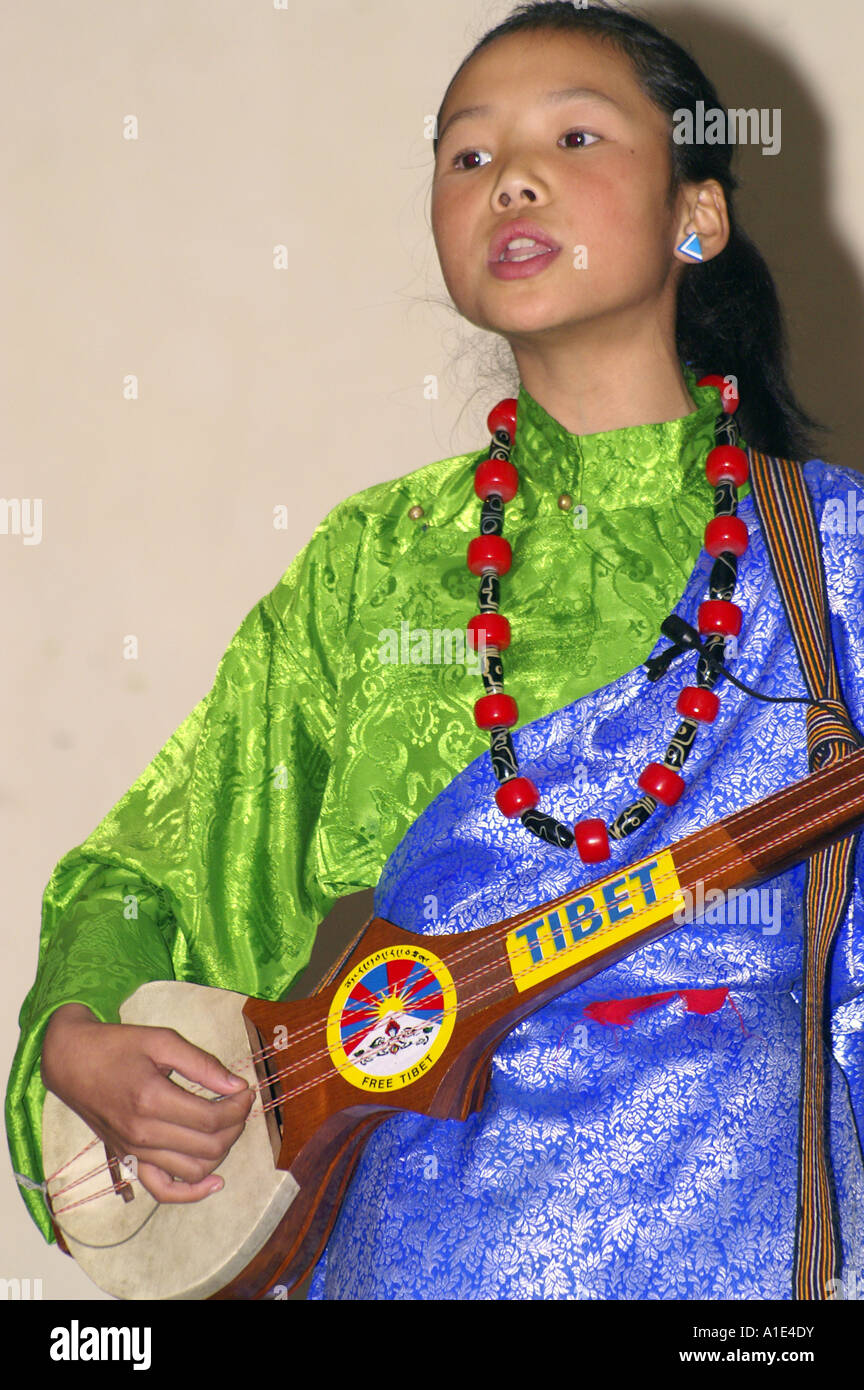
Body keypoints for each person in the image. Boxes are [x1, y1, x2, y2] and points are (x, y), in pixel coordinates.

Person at [7, 1, 864, 1300]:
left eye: (573, 135)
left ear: (699, 214)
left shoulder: (838, 553)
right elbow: (152, 873)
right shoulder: (377, 563)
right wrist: (81, 1030)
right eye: (466, 156)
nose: (510, 176)